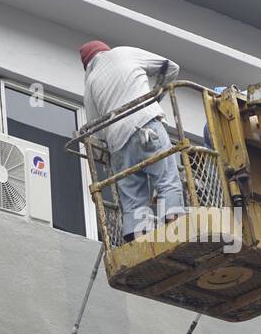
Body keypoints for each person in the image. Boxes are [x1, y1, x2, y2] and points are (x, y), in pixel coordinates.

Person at [79, 40, 186, 241]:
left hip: (118, 146)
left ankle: (138, 241)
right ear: (105, 50)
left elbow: (96, 130)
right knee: (166, 180)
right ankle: (175, 227)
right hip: (146, 124)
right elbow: (171, 68)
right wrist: (154, 97)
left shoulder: (90, 83)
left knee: (133, 200)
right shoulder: (124, 53)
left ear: (87, 64)